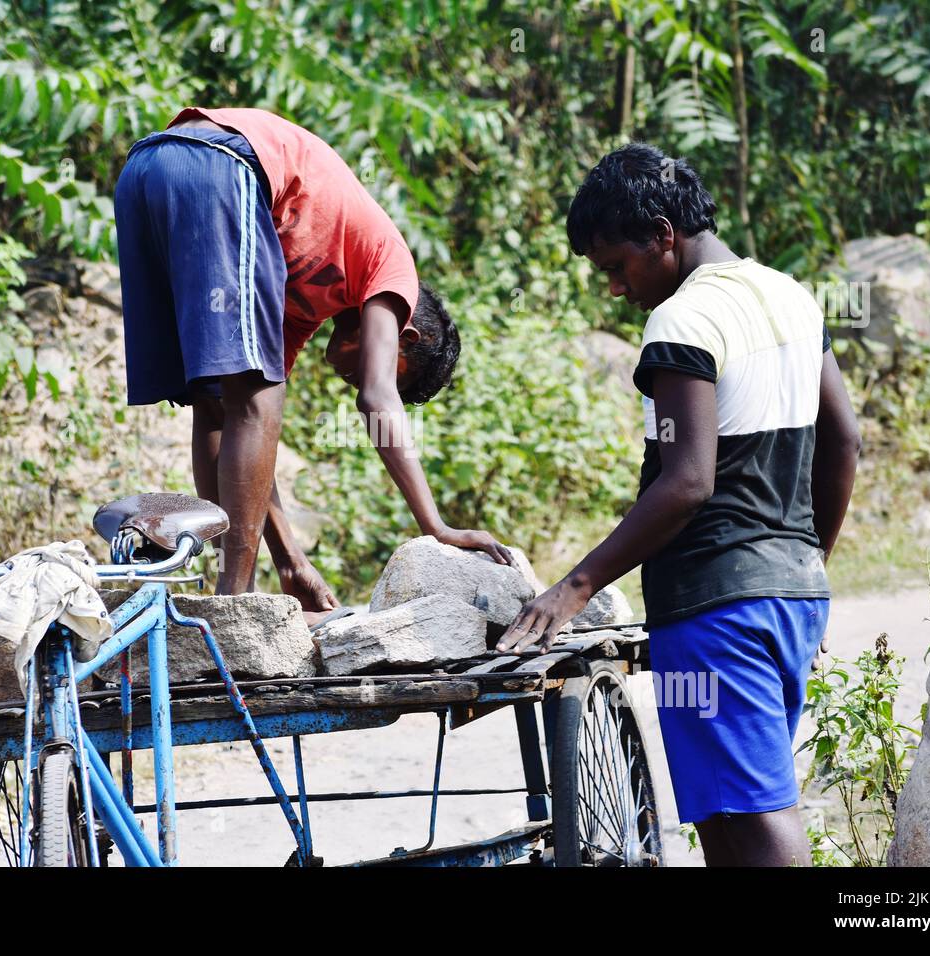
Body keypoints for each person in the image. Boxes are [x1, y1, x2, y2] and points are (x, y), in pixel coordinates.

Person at [498, 143, 861, 866]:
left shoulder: (683, 322)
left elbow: (687, 480)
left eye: (616, 267)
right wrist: (804, 566)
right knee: (728, 810)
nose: (615, 288)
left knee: (753, 815)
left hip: (714, 610)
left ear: (663, 234)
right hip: (788, 596)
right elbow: (845, 441)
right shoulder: (793, 295)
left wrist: (572, 589)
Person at [114, 107, 512, 625]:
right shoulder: (393, 269)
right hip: (220, 164)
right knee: (253, 405)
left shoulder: (297, 305)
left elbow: (232, 422)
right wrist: (436, 526)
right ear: (403, 334)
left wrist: (291, 559)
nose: (357, 380)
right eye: (391, 365)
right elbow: (376, 399)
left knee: (218, 402)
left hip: (146, 169)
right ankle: (234, 599)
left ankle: (231, 590)